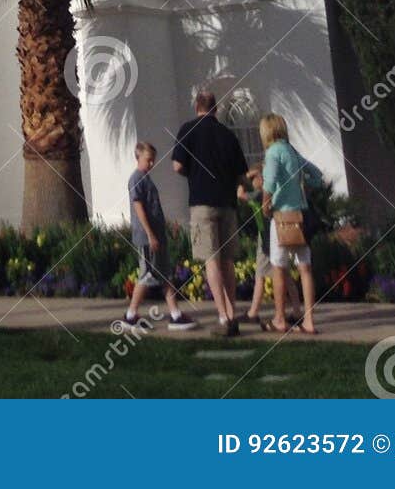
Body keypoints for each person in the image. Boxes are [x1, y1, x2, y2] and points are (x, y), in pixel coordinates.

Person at [172, 89, 249, 335]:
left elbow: (177, 166)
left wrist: (194, 174)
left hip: (202, 204)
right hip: (227, 204)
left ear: (197, 107)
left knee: (211, 260)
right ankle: (233, 311)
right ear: (215, 109)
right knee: (227, 261)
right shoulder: (228, 135)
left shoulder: (188, 130)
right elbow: (241, 173)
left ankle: (223, 317)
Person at [259, 112, 324, 337]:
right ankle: (309, 320)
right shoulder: (292, 151)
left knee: (279, 267)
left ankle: (279, 318)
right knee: (305, 268)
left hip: (282, 219)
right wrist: (304, 186)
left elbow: (269, 183)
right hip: (302, 215)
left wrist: (265, 204)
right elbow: (316, 175)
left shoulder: (273, 153)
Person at [121, 141, 197, 332]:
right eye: (148, 159)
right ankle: (130, 315)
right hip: (147, 237)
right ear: (138, 157)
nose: (152, 163)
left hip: (157, 235)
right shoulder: (136, 179)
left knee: (164, 275)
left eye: (153, 159)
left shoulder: (146, 178)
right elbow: (138, 207)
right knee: (147, 275)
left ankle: (175, 314)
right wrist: (150, 234)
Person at [239, 168, 299, 328]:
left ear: (261, 179)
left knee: (260, 275)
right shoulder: (271, 194)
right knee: (285, 274)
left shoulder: (259, 196)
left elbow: (239, 194)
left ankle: (253, 312)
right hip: (272, 236)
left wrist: (246, 177)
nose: (252, 183)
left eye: (254, 180)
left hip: (266, 240)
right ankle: (297, 311)